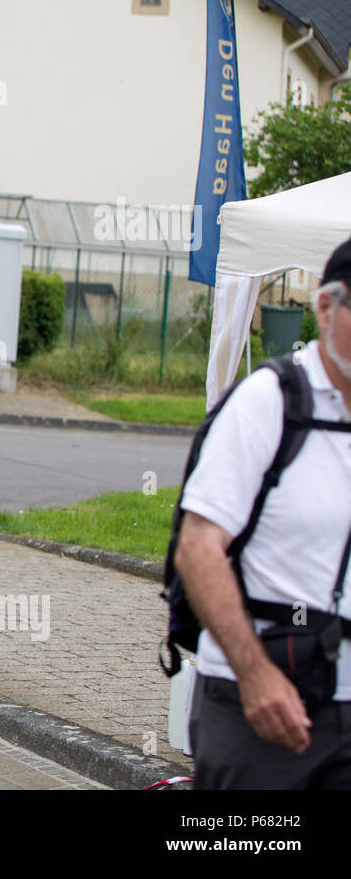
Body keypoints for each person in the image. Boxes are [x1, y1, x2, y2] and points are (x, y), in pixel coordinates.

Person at [179, 237, 351, 789]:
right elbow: (199, 547)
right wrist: (255, 676)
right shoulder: (269, 402)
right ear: (326, 308)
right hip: (258, 702)